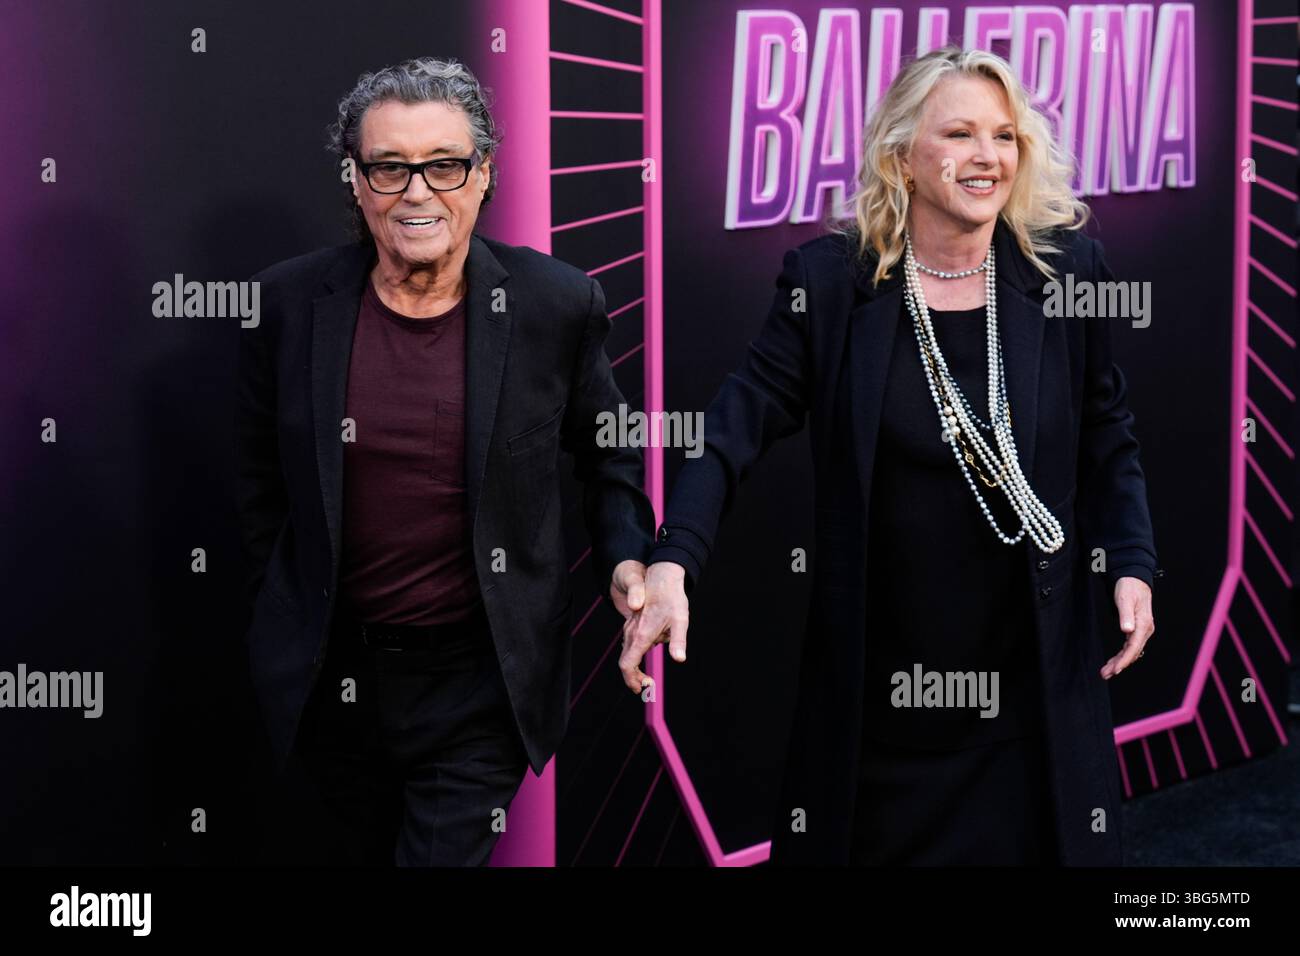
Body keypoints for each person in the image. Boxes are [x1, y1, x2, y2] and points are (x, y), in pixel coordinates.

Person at [620, 46, 1157, 866]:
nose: (988, 157)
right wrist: (672, 561)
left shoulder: (1066, 273)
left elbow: (1107, 434)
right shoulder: (832, 285)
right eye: (960, 134)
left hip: (1031, 709)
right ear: (901, 156)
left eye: (1005, 137)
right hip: (882, 718)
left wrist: (1132, 560)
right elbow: (731, 428)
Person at [235, 56, 655, 865]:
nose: (417, 192)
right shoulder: (286, 306)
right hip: (329, 682)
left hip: (480, 688)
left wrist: (628, 559)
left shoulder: (555, 304)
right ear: (356, 181)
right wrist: (276, 614)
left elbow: (609, 456)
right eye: (389, 167)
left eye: (444, 165)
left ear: (484, 173)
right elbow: (260, 488)